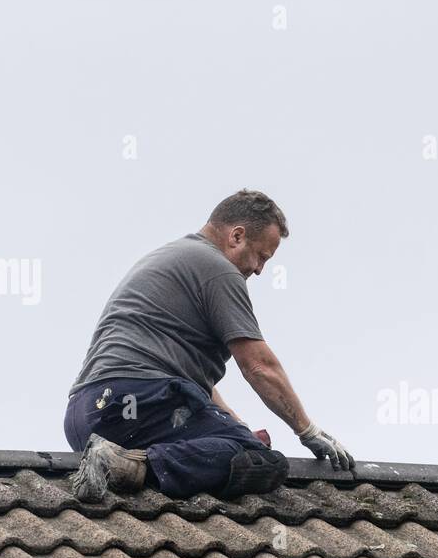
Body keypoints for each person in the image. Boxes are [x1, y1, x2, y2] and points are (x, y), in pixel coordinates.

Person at [63, 189, 354, 501]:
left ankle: (119, 459)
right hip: (136, 400)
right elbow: (258, 366)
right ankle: (119, 465)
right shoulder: (218, 270)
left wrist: (233, 423)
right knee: (258, 460)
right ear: (237, 236)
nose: (259, 270)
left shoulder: (172, 256)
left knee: (235, 439)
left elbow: (188, 380)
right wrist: (307, 431)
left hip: (86, 415)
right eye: (261, 256)